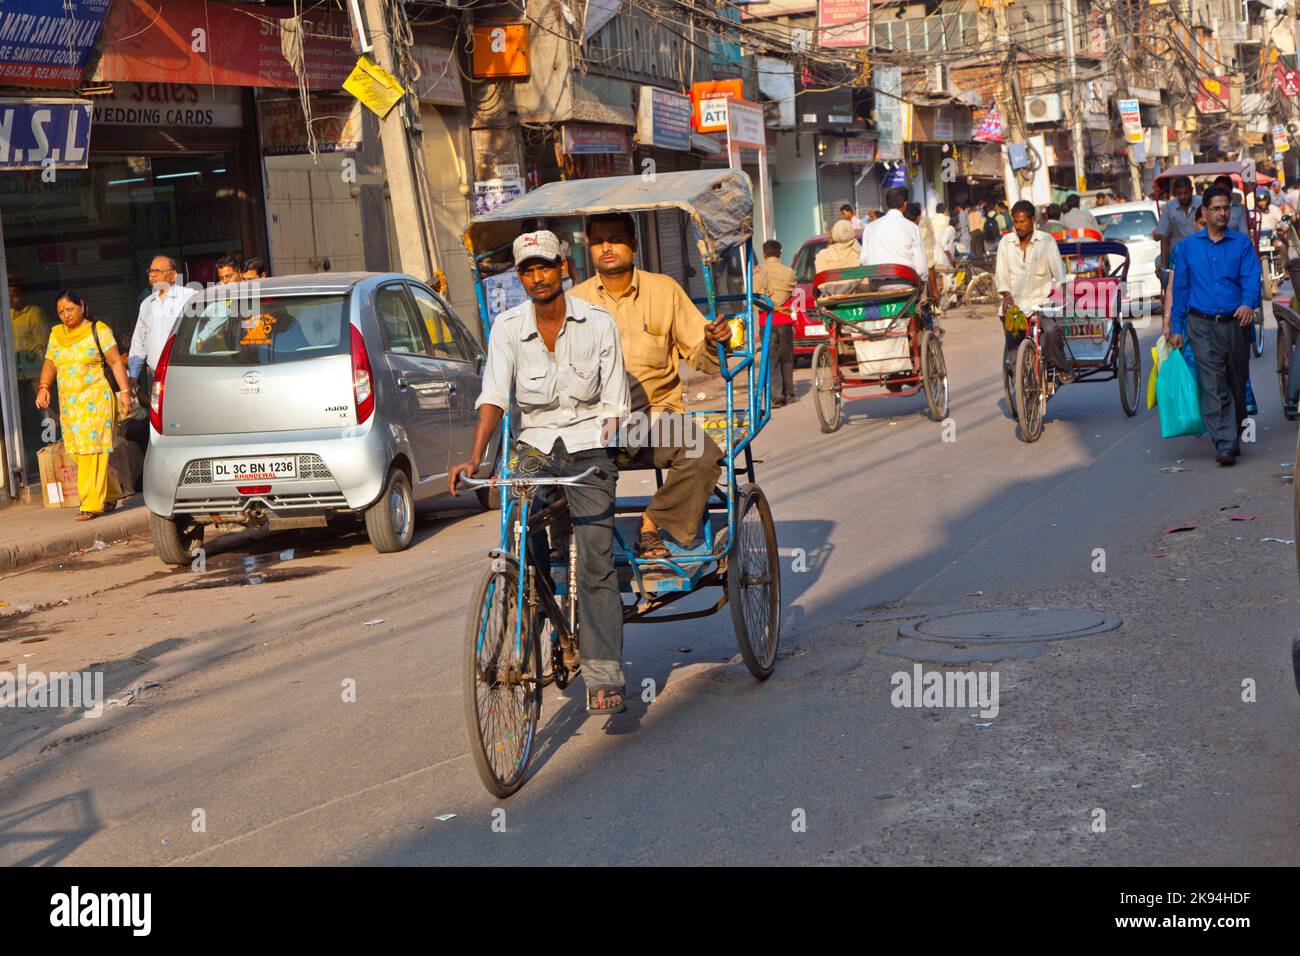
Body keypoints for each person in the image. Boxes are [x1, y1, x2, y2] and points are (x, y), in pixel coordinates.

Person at [449, 230, 631, 714]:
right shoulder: (507, 328)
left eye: (545, 267)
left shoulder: (598, 323)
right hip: (534, 448)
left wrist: (601, 448)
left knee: (595, 559)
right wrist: (476, 458)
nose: (537, 277)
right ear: (520, 277)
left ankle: (603, 674)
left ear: (563, 268)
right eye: (528, 270)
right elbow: (493, 398)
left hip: (590, 447)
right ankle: (532, 618)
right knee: (518, 536)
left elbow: (615, 403)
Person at [568, 213, 731, 560]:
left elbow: (701, 356)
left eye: (615, 239)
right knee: (543, 467)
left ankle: (653, 523)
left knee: (702, 455)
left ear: (634, 244)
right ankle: (560, 549)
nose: (607, 248)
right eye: (598, 241)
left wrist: (714, 341)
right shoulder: (573, 302)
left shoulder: (664, 290)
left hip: (655, 419)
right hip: (595, 426)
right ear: (589, 247)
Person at [1168, 186, 1259, 465]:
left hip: (1235, 324)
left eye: (1225, 208)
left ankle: (1235, 430)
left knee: (1235, 381)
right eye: (1216, 208)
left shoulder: (1241, 244)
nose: (1222, 213)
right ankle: (1224, 443)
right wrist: (1176, 326)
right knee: (1212, 383)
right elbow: (1180, 288)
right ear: (1204, 212)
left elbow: (1252, 277)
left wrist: (1247, 303)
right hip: (1201, 325)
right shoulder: (1188, 248)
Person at [34, 291, 131, 520]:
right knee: (77, 451)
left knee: (92, 452)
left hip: (96, 399)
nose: (66, 315)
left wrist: (125, 392)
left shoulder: (100, 330)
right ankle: (111, 492)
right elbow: (50, 362)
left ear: (82, 306)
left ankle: (90, 504)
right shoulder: (57, 334)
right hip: (70, 404)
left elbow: (116, 362)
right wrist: (43, 386)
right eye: (60, 312)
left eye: (70, 309)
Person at [996, 200, 1071, 379]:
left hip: (1041, 303)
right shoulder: (1006, 242)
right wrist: (1006, 295)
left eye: (1022, 222)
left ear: (1032, 221)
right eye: (1016, 222)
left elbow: (1060, 275)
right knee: (1014, 353)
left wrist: (1065, 297)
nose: (1019, 226)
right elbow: (1001, 274)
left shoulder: (1046, 241)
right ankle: (1020, 382)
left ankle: (1061, 367)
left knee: (1051, 332)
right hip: (1015, 306)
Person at [128, 255, 196, 401]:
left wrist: (202, 338)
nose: (152, 275)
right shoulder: (147, 304)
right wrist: (133, 374)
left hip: (183, 374)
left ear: (172, 275)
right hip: (156, 377)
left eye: (157, 271)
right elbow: (139, 340)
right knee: (159, 421)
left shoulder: (189, 297)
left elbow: (213, 317)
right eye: (150, 271)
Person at [752, 239, 798, 407]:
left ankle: (777, 397)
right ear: (780, 253)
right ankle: (790, 394)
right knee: (787, 358)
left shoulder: (757, 273)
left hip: (766, 321)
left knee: (772, 359)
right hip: (785, 321)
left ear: (764, 254)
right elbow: (791, 290)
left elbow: (752, 299)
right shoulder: (789, 272)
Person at [861, 187, 928, 286]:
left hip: (877, 285)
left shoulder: (870, 227)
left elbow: (864, 260)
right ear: (905, 205)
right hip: (906, 285)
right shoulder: (912, 227)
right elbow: (921, 268)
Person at [195, 254, 244, 352]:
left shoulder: (251, 294)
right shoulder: (217, 300)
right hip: (226, 354)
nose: (225, 281)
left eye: (229, 276)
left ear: (239, 272)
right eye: (221, 278)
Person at [1153, 175, 1201, 268]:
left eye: (1186, 193)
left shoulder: (1201, 202)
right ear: (1175, 193)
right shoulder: (1169, 207)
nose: (1183, 196)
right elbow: (1164, 234)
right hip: (1177, 254)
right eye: (1180, 194)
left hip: (1199, 250)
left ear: (1191, 190)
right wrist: (1163, 262)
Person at [817, 219, 866, 295]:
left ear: (835, 234)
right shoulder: (860, 253)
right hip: (857, 299)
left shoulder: (822, 255)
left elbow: (820, 284)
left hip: (830, 301)